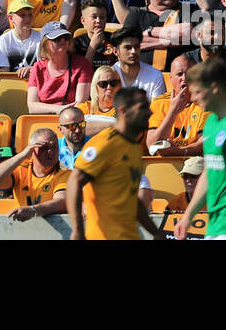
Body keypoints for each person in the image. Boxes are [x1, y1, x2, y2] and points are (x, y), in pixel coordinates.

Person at [175, 58, 226, 240]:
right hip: (214, 224)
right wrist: (188, 216)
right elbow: (208, 172)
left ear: (214, 88)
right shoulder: (211, 123)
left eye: (197, 92)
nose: (194, 98)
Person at [66, 85, 162, 240]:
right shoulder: (104, 143)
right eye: (143, 107)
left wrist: (156, 233)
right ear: (124, 111)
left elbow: (131, 200)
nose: (150, 112)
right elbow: (73, 183)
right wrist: (77, 231)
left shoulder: (134, 148)